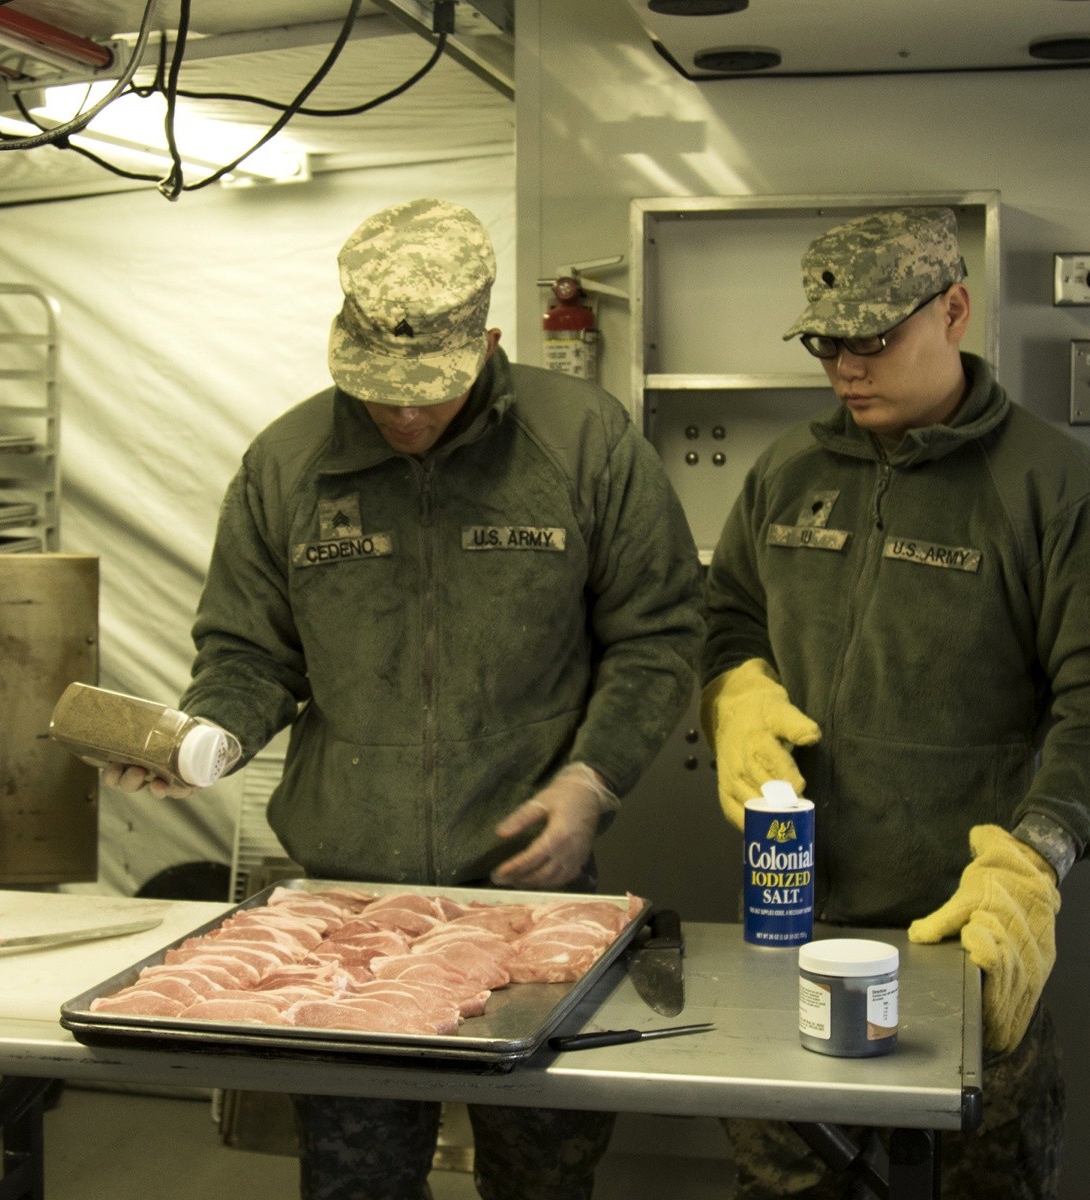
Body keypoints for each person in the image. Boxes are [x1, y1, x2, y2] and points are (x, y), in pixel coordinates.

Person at [110, 197, 703, 1200]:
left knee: (544, 1182)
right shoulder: (288, 464)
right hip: (349, 905)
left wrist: (590, 783)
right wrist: (203, 736)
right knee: (354, 1185)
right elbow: (249, 653)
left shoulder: (584, 444)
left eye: (429, 392)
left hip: (534, 895)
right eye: (383, 394)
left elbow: (656, 637)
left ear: (490, 342)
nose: (407, 417)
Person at [701, 207, 1090, 1199]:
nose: (847, 367)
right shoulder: (788, 474)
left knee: (983, 1180)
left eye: (874, 338)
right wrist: (734, 692)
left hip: (965, 930)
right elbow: (730, 617)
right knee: (788, 1181)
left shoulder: (1053, 485)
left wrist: (1037, 854)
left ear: (954, 309)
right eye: (828, 342)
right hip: (796, 921)